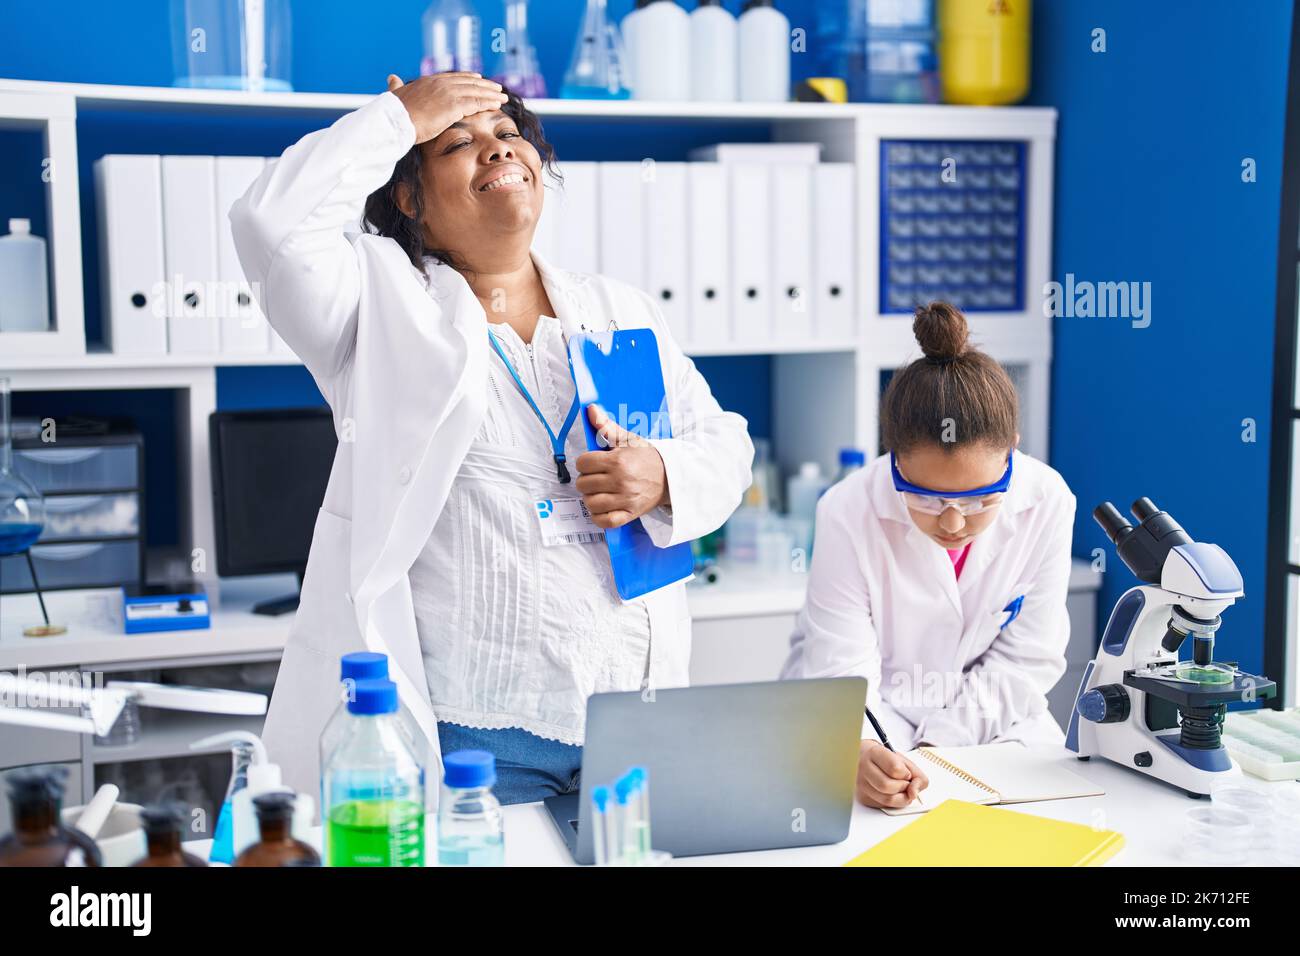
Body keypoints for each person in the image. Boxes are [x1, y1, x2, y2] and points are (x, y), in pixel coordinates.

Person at [231, 72, 754, 805]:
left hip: (640, 719)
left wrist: (663, 473)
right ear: (408, 194)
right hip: (482, 746)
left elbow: (726, 441)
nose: (497, 149)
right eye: (458, 141)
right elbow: (271, 228)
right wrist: (397, 118)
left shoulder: (616, 309)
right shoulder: (378, 308)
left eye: (509, 134)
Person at [782, 302, 1076, 809]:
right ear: (893, 457)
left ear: (1012, 450)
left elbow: (1027, 659)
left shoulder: (1048, 500)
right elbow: (842, 665)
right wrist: (863, 748)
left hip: (994, 719)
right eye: (927, 498)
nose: (954, 522)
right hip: (875, 713)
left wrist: (941, 745)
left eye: (982, 498)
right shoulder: (847, 510)